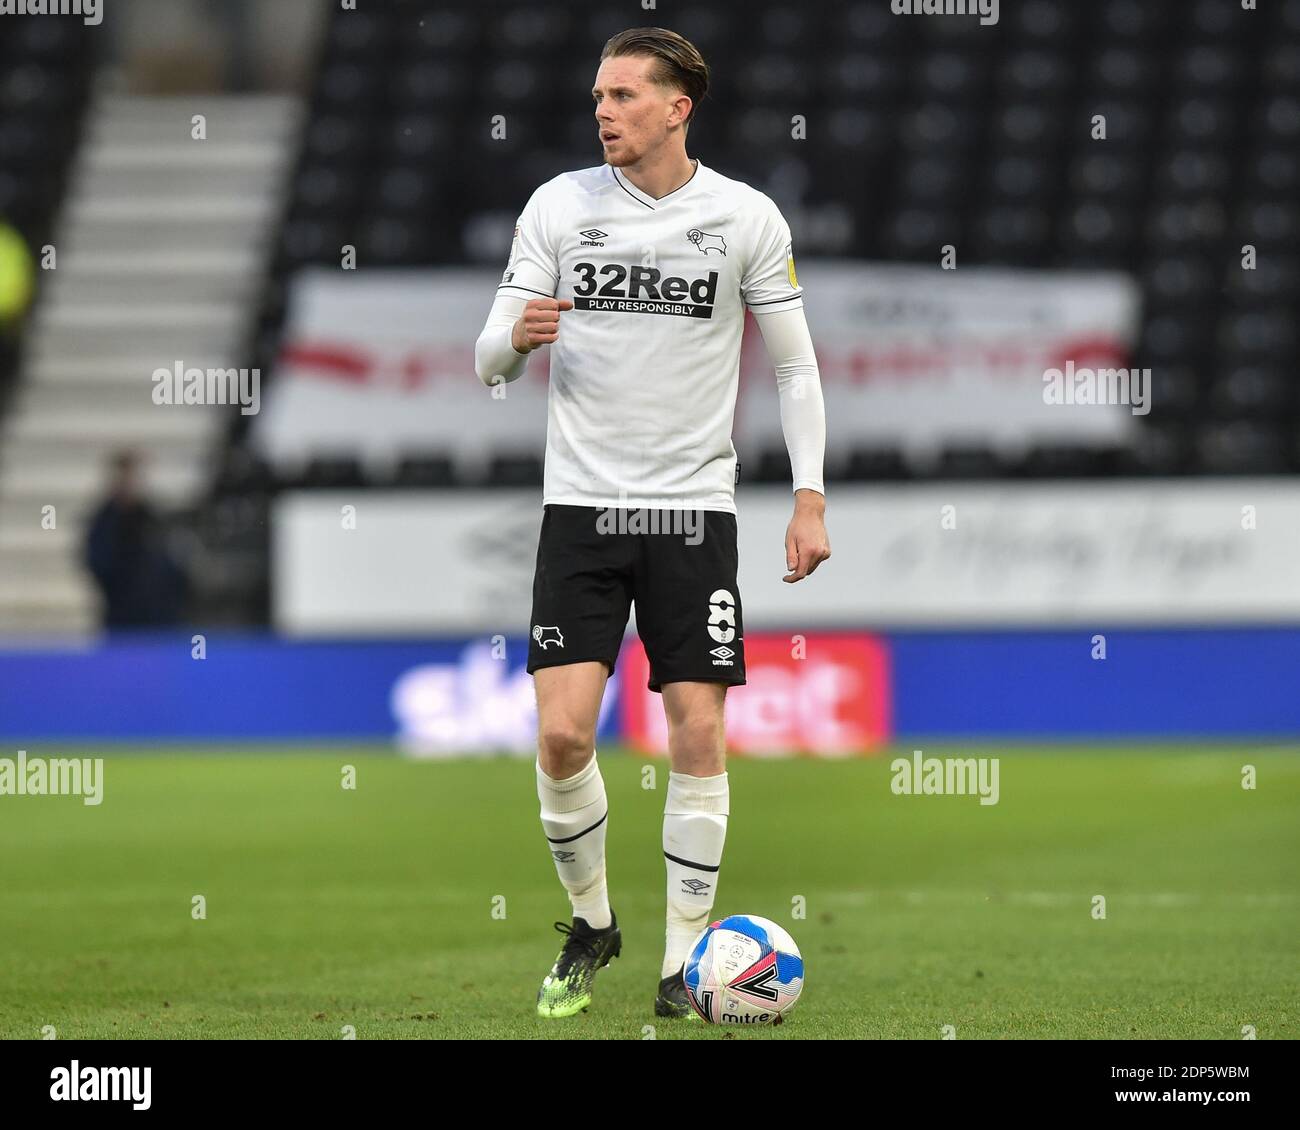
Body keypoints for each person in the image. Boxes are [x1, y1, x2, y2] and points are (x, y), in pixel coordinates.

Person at [473, 26, 830, 1020]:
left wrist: (808, 494)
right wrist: (514, 337)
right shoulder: (558, 206)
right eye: (598, 95)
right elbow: (484, 360)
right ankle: (592, 922)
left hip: (690, 512)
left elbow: (795, 365)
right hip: (581, 509)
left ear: (679, 106)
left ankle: (682, 963)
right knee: (557, 737)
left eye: (626, 95)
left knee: (698, 728)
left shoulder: (745, 218)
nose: (604, 111)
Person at [84, 452, 189, 628]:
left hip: (159, 618)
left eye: (132, 478)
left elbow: (173, 564)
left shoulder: (154, 518)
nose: (128, 484)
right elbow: (98, 562)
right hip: (120, 616)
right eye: (123, 478)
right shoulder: (104, 521)